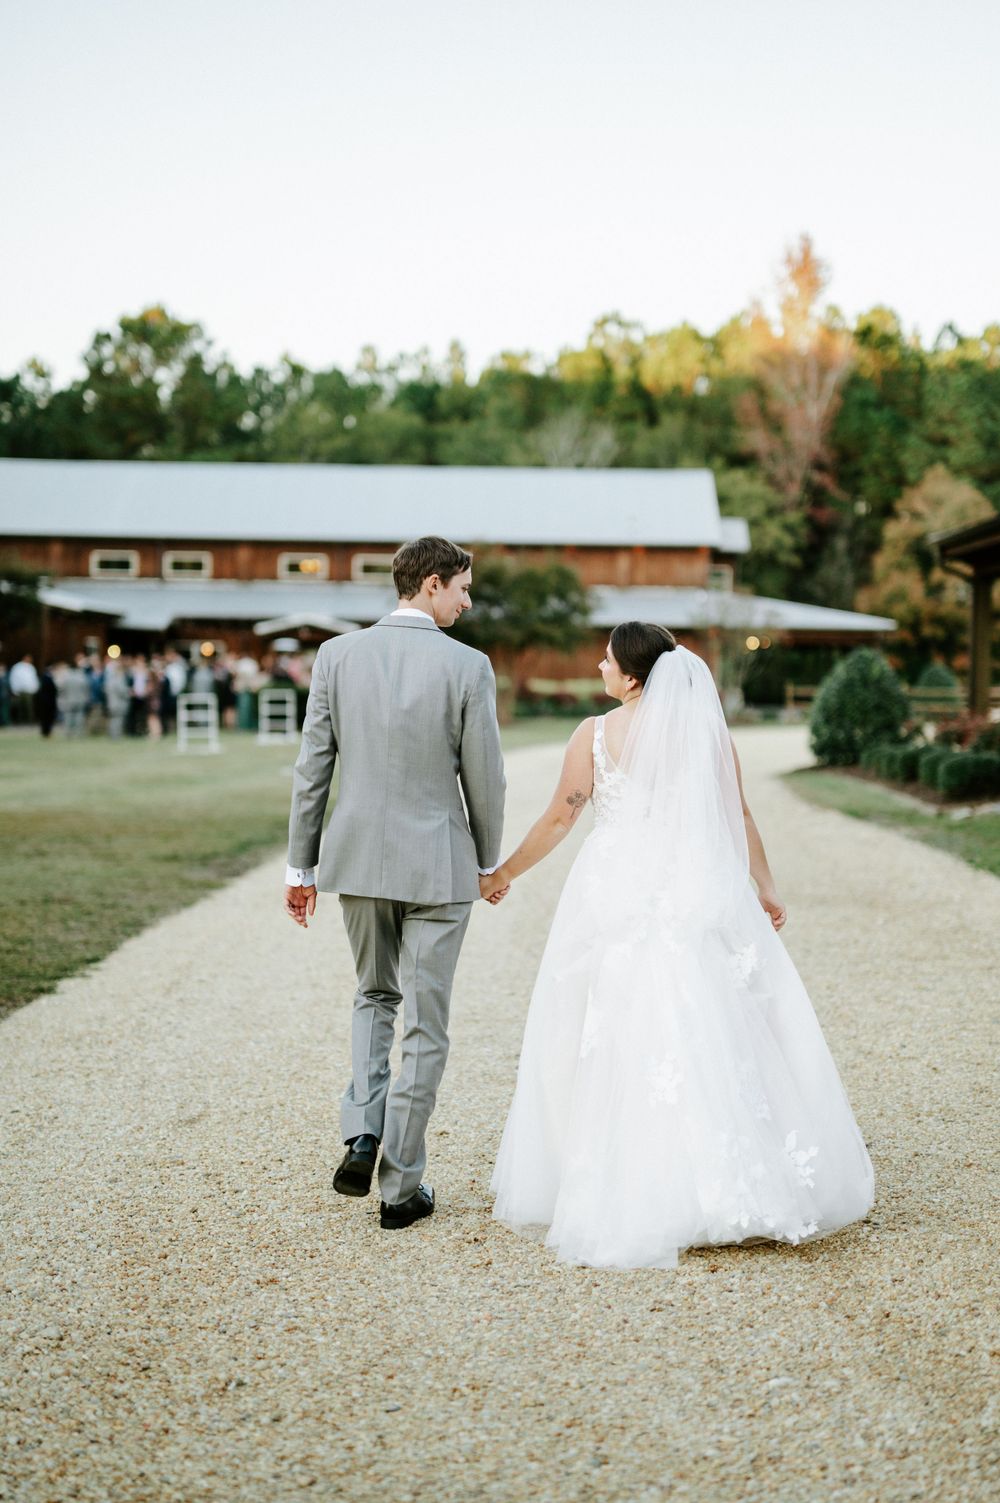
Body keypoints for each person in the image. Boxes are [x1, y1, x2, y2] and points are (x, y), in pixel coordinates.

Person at [485, 622, 875, 1270]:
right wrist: (766, 886)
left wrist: (503, 874)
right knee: (708, 1015)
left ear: (633, 676)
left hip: (613, 889)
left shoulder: (594, 734)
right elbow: (737, 813)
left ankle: (629, 1177)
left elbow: (562, 814)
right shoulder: (705, 733)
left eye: (608, 660)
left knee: (607, 1023)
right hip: (691, 886)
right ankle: (724, 1180)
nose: (599, 666)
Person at [284, 536, 506, 1231]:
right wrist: (489, 860)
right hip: (439, 865)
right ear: (433, 583)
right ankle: (402, 1185)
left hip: (358, 862)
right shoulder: (468, 666)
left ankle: (361, 1133)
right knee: (426, 1021)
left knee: (373, 994)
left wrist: (301, 866)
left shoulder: (336, 656)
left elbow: (312, 766)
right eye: (464, 588)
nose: (469, 600)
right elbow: (486, 777)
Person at [58, 653, 90, 737]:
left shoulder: (66, 675)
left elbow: (61, 688)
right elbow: (86, 688)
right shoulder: (81, 675)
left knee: (68, 717)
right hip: (80, 699)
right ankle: (78, 734)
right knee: (79, 717)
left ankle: (68, 733)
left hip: (68, 700)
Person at [9, 654, 40, 724]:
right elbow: (13, 679)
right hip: (20, 690)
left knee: (29, 706)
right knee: (21, 706)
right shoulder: (17, 667)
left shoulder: (31, 667)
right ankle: (20, 720)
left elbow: (33, 679)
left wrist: (35, 688)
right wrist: (14, 690)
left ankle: (29, 720)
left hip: (29, 691)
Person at [37, 663, 58, 738]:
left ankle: (47, 732)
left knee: (48, 718)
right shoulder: (47, 678)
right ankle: (46, 732)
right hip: (47, 702)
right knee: (46, 718)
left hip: (48, 701)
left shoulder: (47, 677)